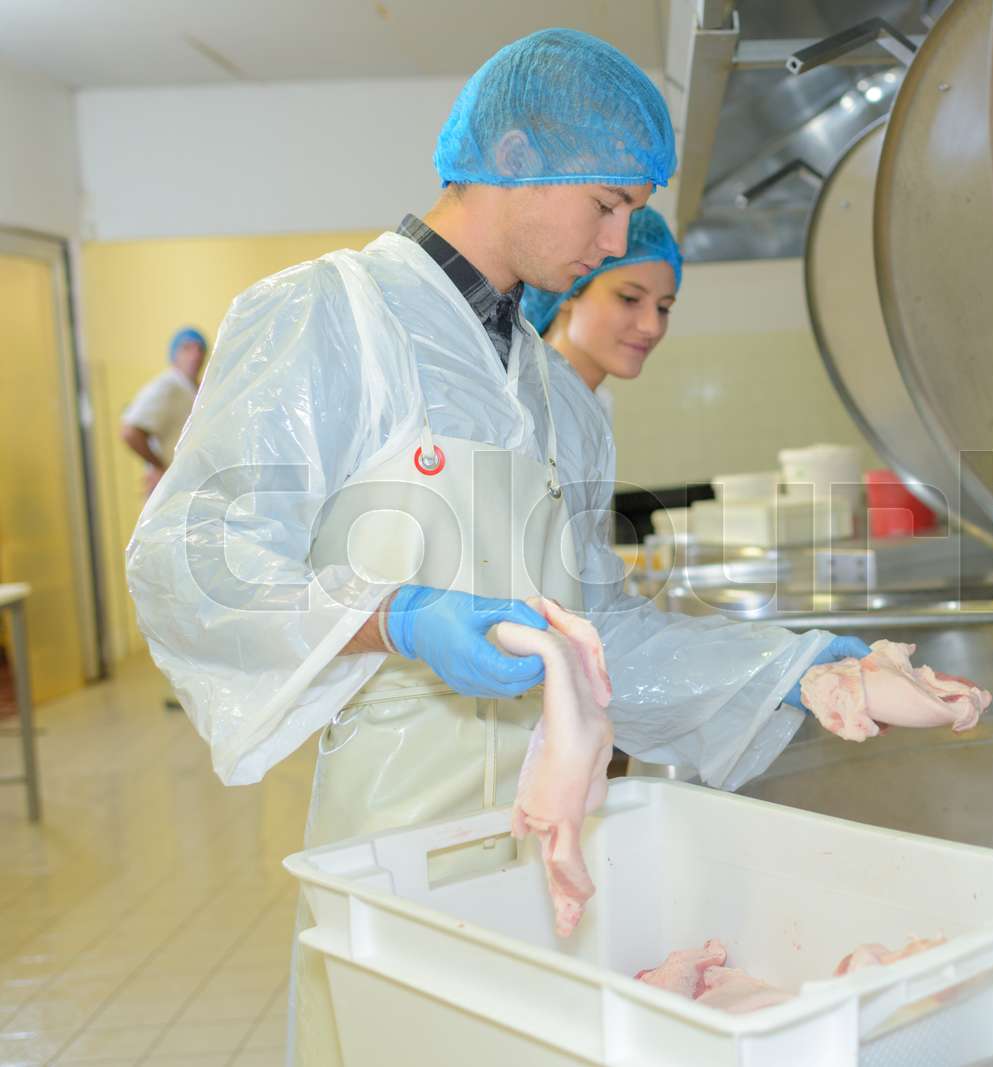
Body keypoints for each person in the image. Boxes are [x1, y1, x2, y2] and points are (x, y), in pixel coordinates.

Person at [123, 29, 868, 1066]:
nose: (617, 239)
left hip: (544, 851)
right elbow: (191, 557)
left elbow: (603, 631)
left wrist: (791, 669)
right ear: (515, 157)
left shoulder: (557, 396)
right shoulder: (330, 316)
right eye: (605, 203)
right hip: (395, 840)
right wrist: (397, 615)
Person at [523, 203, 681, 425]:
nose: (652, 327)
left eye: (663, 308)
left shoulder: (592, 406)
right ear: (568, 289)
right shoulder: (520, 409)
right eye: (629, 298)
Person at [120, 326, 206, 496]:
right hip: (172, 488)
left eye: (200, 349)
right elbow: (130, 432)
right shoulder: (167, 385)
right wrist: (160, 467)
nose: (195, 355)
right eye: (187, 348)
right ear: (174, 354)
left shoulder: (194, 390)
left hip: (190, 486)